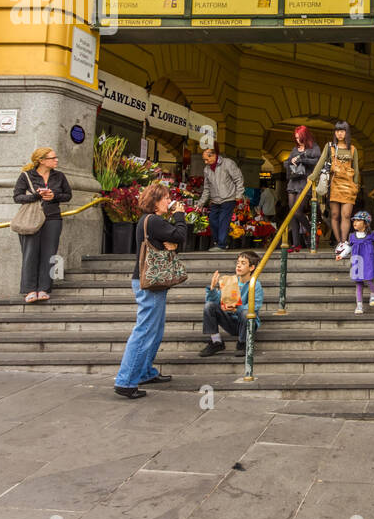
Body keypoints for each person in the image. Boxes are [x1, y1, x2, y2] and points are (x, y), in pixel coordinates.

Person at [113, 182, 186, 398]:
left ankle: (144, 371)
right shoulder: (153, 220)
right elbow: (180, 235)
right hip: (150, 283)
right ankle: (125, 381)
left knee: (154, 330)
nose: (168, 201)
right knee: (145, 330)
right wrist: (180, 216)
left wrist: (172, 238)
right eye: (165, 198)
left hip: (150, 281)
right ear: (155, 201)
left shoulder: (149, 221)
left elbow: (172, 239)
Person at [13, 146, 71, 303]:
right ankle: (29, 289)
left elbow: (68, 195)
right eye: (53, 158)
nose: (56, 160)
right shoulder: (26, 176)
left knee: (49, 254)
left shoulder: (59, 176)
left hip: (53, 218)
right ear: (42, 161)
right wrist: (36, 196)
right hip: (32, 219)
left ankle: (44, 289)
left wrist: (54, 196)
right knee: (30, 253)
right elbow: (17, 197)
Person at [200, 250, 264, 355]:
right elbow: (214, 301)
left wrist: (235, 308)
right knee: (209, 306)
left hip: (247, 323)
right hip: (231, 323)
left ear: (251, 268)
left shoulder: (255, 285)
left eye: (243, 263)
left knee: (245, 312)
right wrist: (212, 288)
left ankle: (243, 343)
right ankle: (216, 342)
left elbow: (254, 307)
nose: (238, 266)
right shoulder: (230, 281)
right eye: (238, 263)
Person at [337, 210, 374, 314]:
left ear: (366, 223)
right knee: (358, 283)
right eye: (354, 220)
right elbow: (348, 248)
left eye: (358, 220)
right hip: (356, 261)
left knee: (369, 279)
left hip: (368, 260)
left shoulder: (371, 235)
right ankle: (359, 305)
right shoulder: (352, 236)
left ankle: (373, 293)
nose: (355, 222)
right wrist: (341, 255)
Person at [283, 126, 320, 252]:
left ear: (305, 136)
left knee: (298, 211)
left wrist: (301, 159)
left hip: (305, 183)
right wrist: (291, 161)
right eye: (296, 138)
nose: (298, 140)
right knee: (292, 213)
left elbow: (318, 161)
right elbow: (286, 162)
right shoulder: (295, 149)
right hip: (293, 182)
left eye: (299, 137)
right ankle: (296, 243)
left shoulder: (314, 147)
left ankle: (312, 233)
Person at [199, 147, 244, 251]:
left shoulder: (228, 163)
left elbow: (238, 179)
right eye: (204, 160)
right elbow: (206, 188)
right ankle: (218, 242)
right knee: (213, 221)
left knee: (223, 220)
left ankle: (221, 244)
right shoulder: (207, 169)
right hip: (215, 200)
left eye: (207, 159)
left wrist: (238, 195)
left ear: (214, 156)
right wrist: (200, 203)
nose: (205, 162)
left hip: (229, 198)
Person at [325, 121, 360, 246]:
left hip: (349, 185)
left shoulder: (352, 149)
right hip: (334, 184)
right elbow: (321, 163)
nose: (340, 133)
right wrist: (312, 177)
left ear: (346, 132)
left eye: (342, 130)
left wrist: (356, 185)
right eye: (337, 131)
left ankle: (344, 242)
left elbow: (356, 169)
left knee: (346, 215)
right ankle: (339, 242)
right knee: (335, 215)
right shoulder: (330, 147)